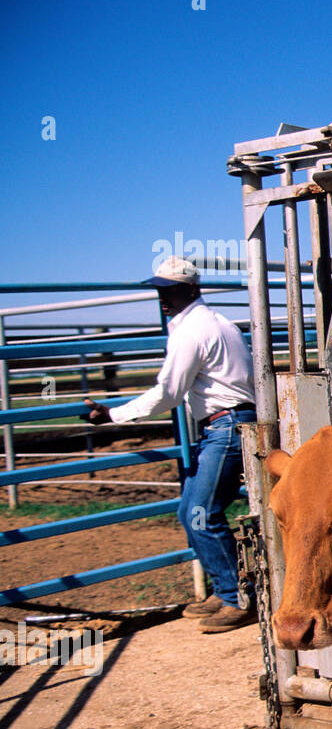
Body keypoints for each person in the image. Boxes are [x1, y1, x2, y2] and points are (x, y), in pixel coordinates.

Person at [83, 256, 258, 633]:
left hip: (225, 426)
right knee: (190, 512)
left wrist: (114, 415)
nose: (163, 297)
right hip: (230, 423)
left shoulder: (191, 331)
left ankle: (238, 599)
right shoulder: (219, 323)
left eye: (170, 290)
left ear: (191, 290)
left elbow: (169, 393)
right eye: (159, 290)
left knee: (200, 512)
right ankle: (226, 588)